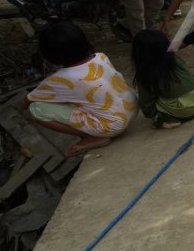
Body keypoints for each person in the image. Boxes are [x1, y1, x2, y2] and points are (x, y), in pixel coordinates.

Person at [21, 20, 137, 156]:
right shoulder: (101, 56)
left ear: (50, 54)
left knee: (35, 110)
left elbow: (26, 102)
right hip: (133, 108)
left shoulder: (58, 79)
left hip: (113, 126)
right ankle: (94, 131)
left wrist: (22, 108)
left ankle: (94, 137)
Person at [131, 29, 194, 129]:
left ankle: (168, 119)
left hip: (184, 109)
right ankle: (191, 111)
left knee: (154, 100)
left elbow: (146, 104)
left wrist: (155, 115)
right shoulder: (176, 60)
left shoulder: (147, 73)